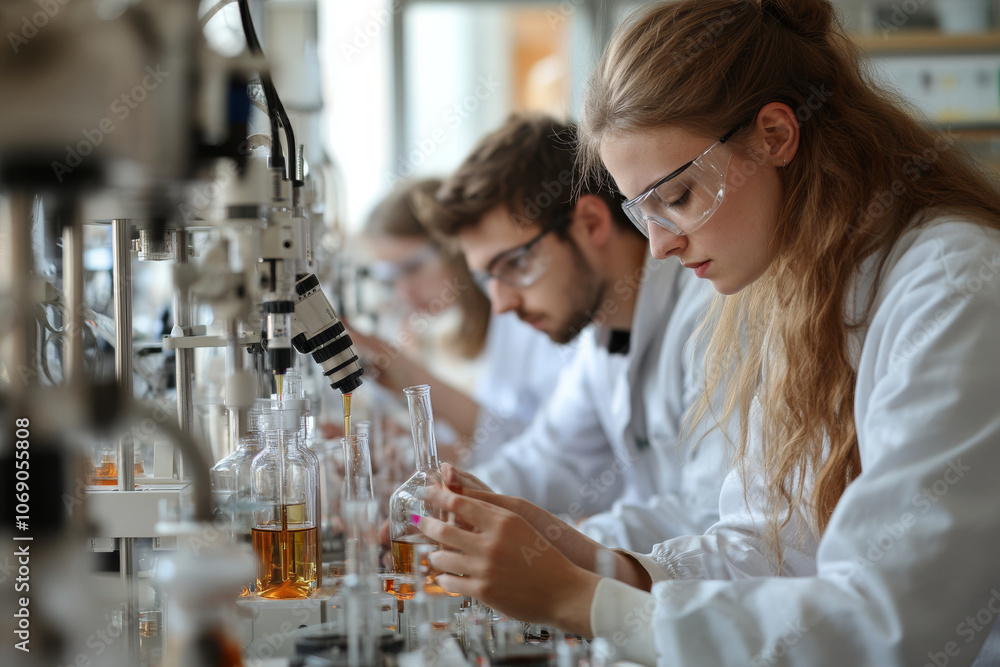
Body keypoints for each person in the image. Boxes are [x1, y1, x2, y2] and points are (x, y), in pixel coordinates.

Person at [412, 1, 1000, 665]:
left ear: (775, 135)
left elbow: (892, 621)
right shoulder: (791, 289)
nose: (657, 246)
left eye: (678, 196)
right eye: (643, 209)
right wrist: (577, 551)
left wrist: (582, 598)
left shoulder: (952, 285)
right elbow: (766, 546)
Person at [421, 114, 728, 552]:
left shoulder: (709, 311)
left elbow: (711, 518)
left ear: (590, 223)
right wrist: (440, 506)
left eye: (516, 265)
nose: (503, 303)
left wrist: (556, 540)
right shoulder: (599, 336)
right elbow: (549, 459)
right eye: (488, 279)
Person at [342, 178, 568, 465]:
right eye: (390, 278)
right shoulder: (441, 332)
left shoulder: (525, 320)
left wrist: (410, 373)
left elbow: (540, 453)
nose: (404, 291)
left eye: (412, 268)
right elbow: (476, 451)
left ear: (454, 248)